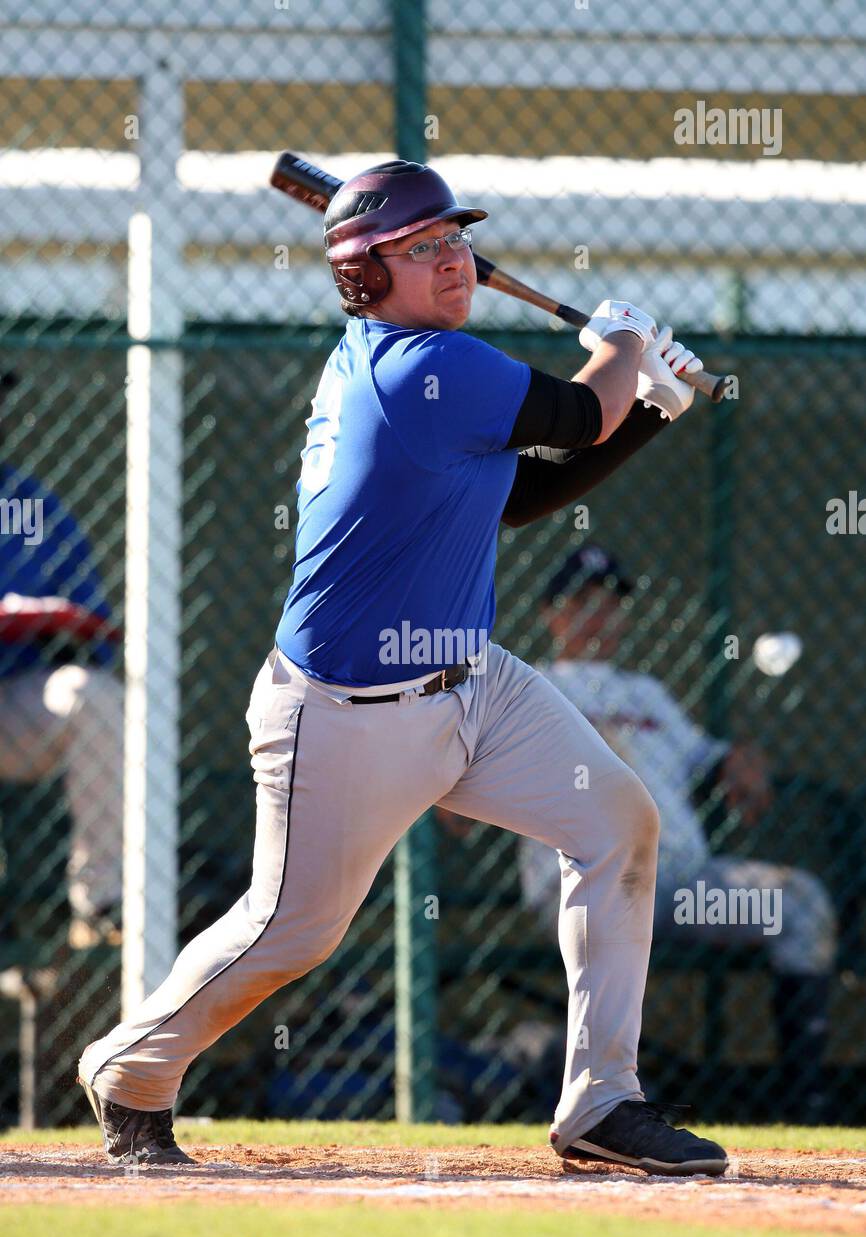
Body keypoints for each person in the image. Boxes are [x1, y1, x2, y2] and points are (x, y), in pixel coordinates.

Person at [77, 159, 728, 1175]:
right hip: (345, 713)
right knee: (291, 932)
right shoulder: (416, 370)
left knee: (614, 821)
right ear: (364, 274)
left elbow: (519, 497)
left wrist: (646, 407)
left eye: (456, 238)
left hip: (471, 679)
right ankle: (130, 1066)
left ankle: (602, 1101)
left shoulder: (424, 367)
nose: (454, 259)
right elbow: (575, 414)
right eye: (423, 247)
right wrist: (625, 345)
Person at [517, 543, 836, 1119]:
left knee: (801, 903)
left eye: (611, 604)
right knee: (612, 902)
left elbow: (706, 759)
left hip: (682, 890)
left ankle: (805, 1101)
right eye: (583, 602)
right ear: (550, 613)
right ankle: (600, 1100)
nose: (599, 617)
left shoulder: (647, 695)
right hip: (585, 883)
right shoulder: (531, 685)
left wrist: (738, 760)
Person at [0, 368, 124, 947]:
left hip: (13, 701)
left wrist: (52, 627)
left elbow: (96, 631)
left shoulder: (28, 506)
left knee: (93, 697)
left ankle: (101, 903)